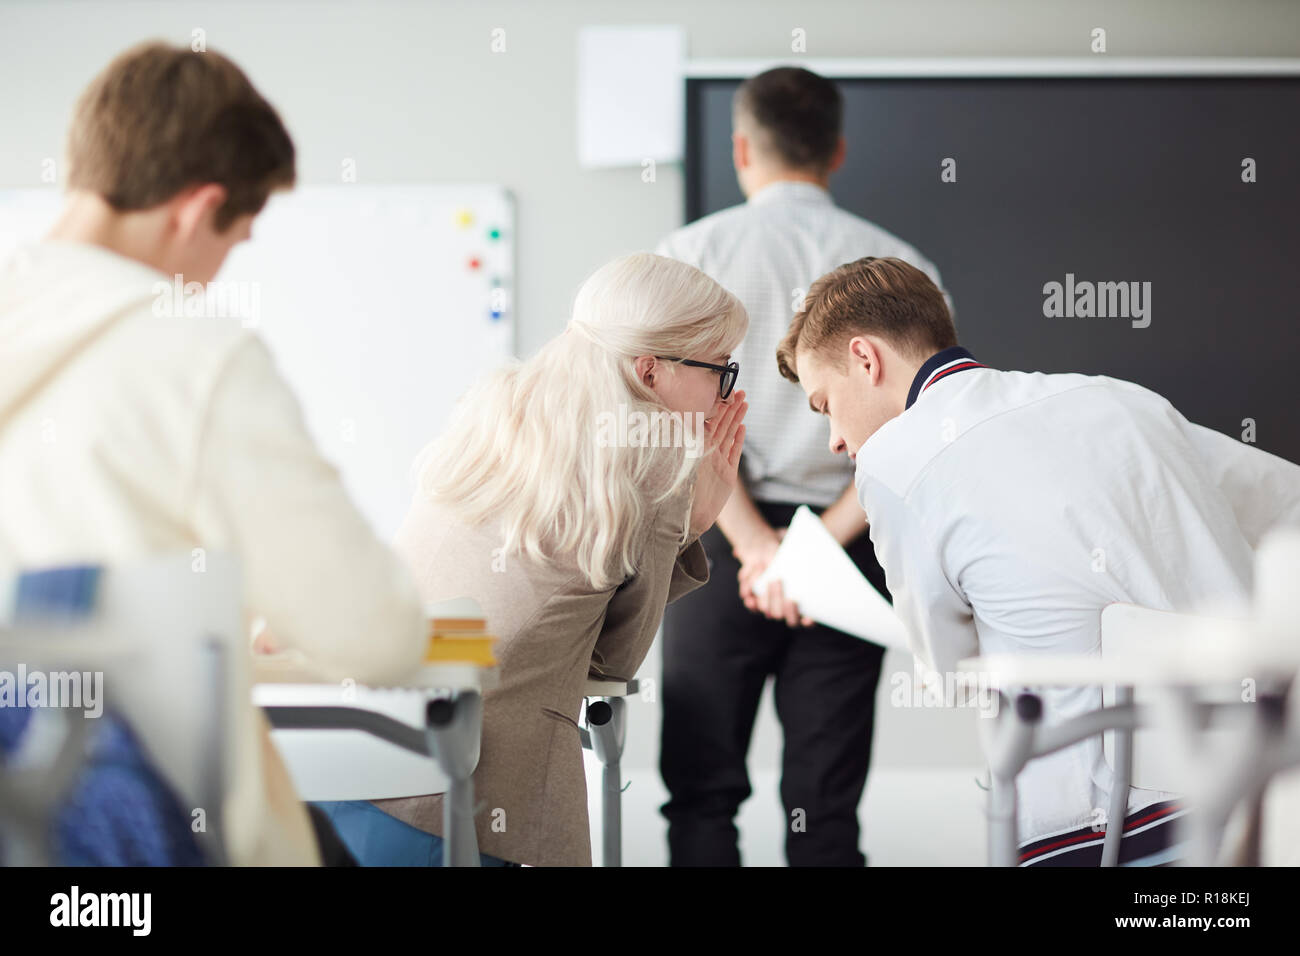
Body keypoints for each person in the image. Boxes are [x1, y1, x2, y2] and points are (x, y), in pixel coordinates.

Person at [0, 42, 427, 865]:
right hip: (152, 825)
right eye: (236, 241)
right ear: (197, 212)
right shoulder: (194, 355)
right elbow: (378, 636)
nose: (215, 275)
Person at [777, 255, 1300, 865]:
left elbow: (949, 672)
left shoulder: (893, 462)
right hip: (1258, 787)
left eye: (824, 405)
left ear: (866, 359)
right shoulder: (1120, 399)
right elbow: (1284, 500)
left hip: (1099, 829)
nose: (835, 439)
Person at [315, 253, 749, 866]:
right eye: (720, 370)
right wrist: (694, 522)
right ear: (650, 371)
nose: (722, 396)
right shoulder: (653, 463)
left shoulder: (497, 406)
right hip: (455, 800)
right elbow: (612, 662)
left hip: (346, 760)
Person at [654, 66, 951, 866]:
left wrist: (757, 547)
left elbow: (674, 423)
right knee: (825, 810)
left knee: (700, 796)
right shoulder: (904, 271)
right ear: (837, 151)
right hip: (854, 546)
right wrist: (809, 550)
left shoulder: (688, 257)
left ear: (742, 148)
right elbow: (920, 432)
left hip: (718, 548)